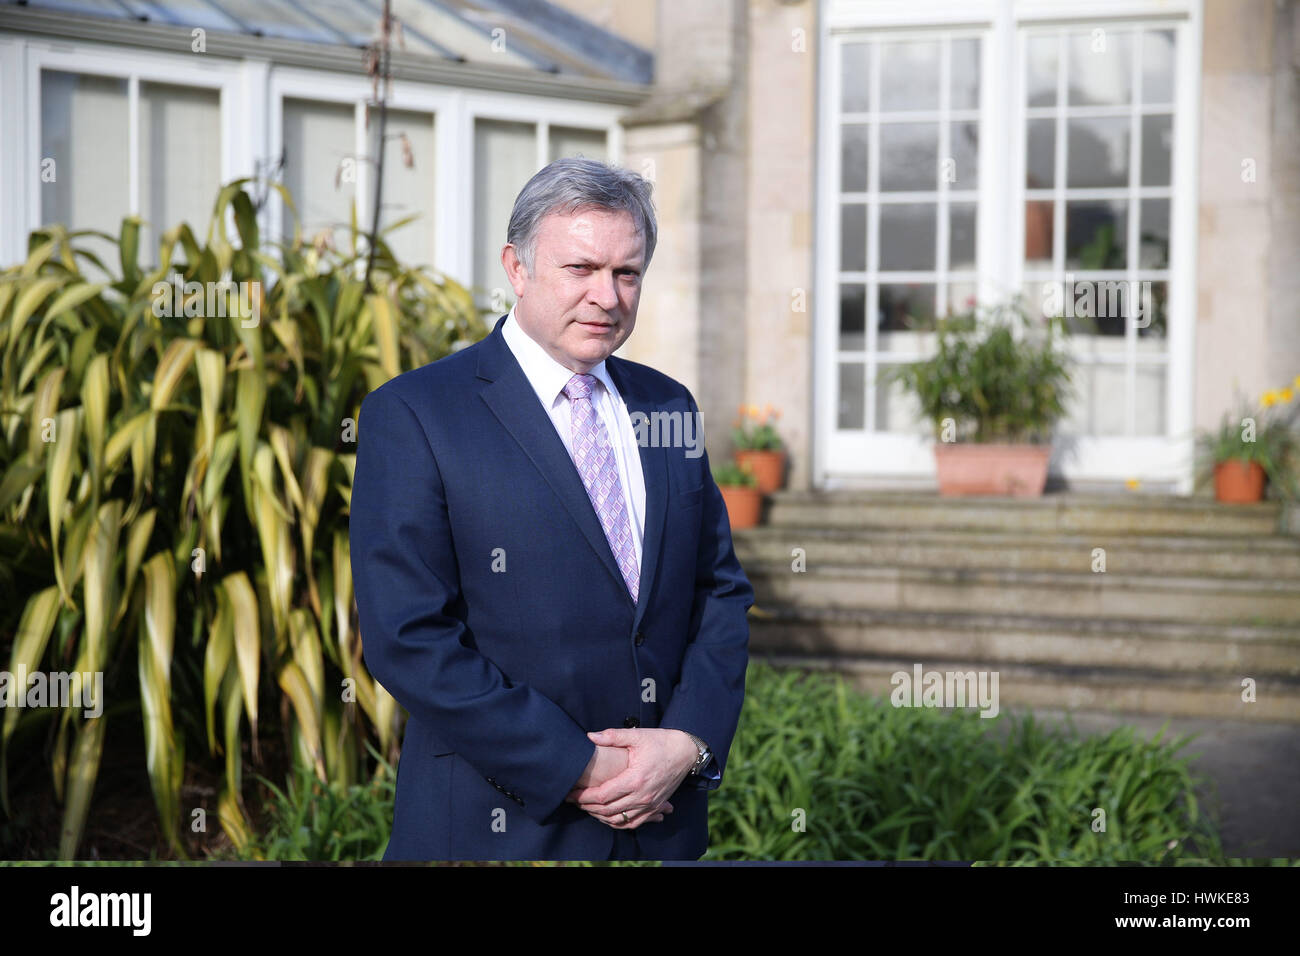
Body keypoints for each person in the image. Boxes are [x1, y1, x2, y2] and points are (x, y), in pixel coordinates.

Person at [350, 157, 753, 861]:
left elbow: (718, 593)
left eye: (627, 273)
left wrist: (687, 743)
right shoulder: (415, 414)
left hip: (661, 829)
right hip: (493, 831)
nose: (607, 296)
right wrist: (575, 764)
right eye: (581, 269)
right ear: (517, 266)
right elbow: (408, 636)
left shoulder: (668, 406)